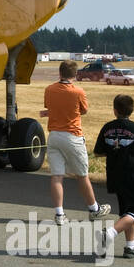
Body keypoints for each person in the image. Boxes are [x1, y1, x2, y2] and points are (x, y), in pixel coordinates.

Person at [42, 60, 111, 225]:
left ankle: (59, 214)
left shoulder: (49, 89)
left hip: (54, 135)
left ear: (60, 72)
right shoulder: (78, 91)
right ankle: (94, 208)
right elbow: (84, 110)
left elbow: (50, 107)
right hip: (72, 135)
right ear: (75, 74)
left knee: (57, 175)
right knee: (82, 175)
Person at [93, 94, 134, 259]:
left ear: (115, 110)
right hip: (131, 174)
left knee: (127, 211)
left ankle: (130, 246)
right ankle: (109, 233)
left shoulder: (107, 128)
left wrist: (113, 150)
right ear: (131, 110)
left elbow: (98, 152)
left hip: (114, 174)